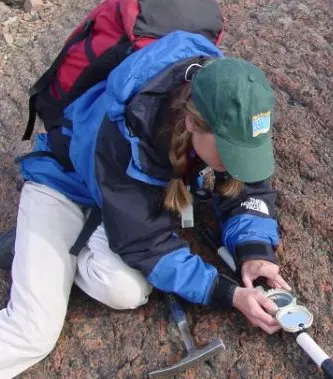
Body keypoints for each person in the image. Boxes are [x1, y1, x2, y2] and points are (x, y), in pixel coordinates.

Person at [0, 31, 290, 378]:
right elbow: (146, 243)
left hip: (118, 208)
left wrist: (254, 249)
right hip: (64, 186)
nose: (237, 163)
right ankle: (37, 244)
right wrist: (227, 293)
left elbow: (247, 185)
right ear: (190, 123)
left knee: (127, 291)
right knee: (33, 332)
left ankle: (50, 253)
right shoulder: (128, 132)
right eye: (230, 153)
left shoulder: (228, 99)